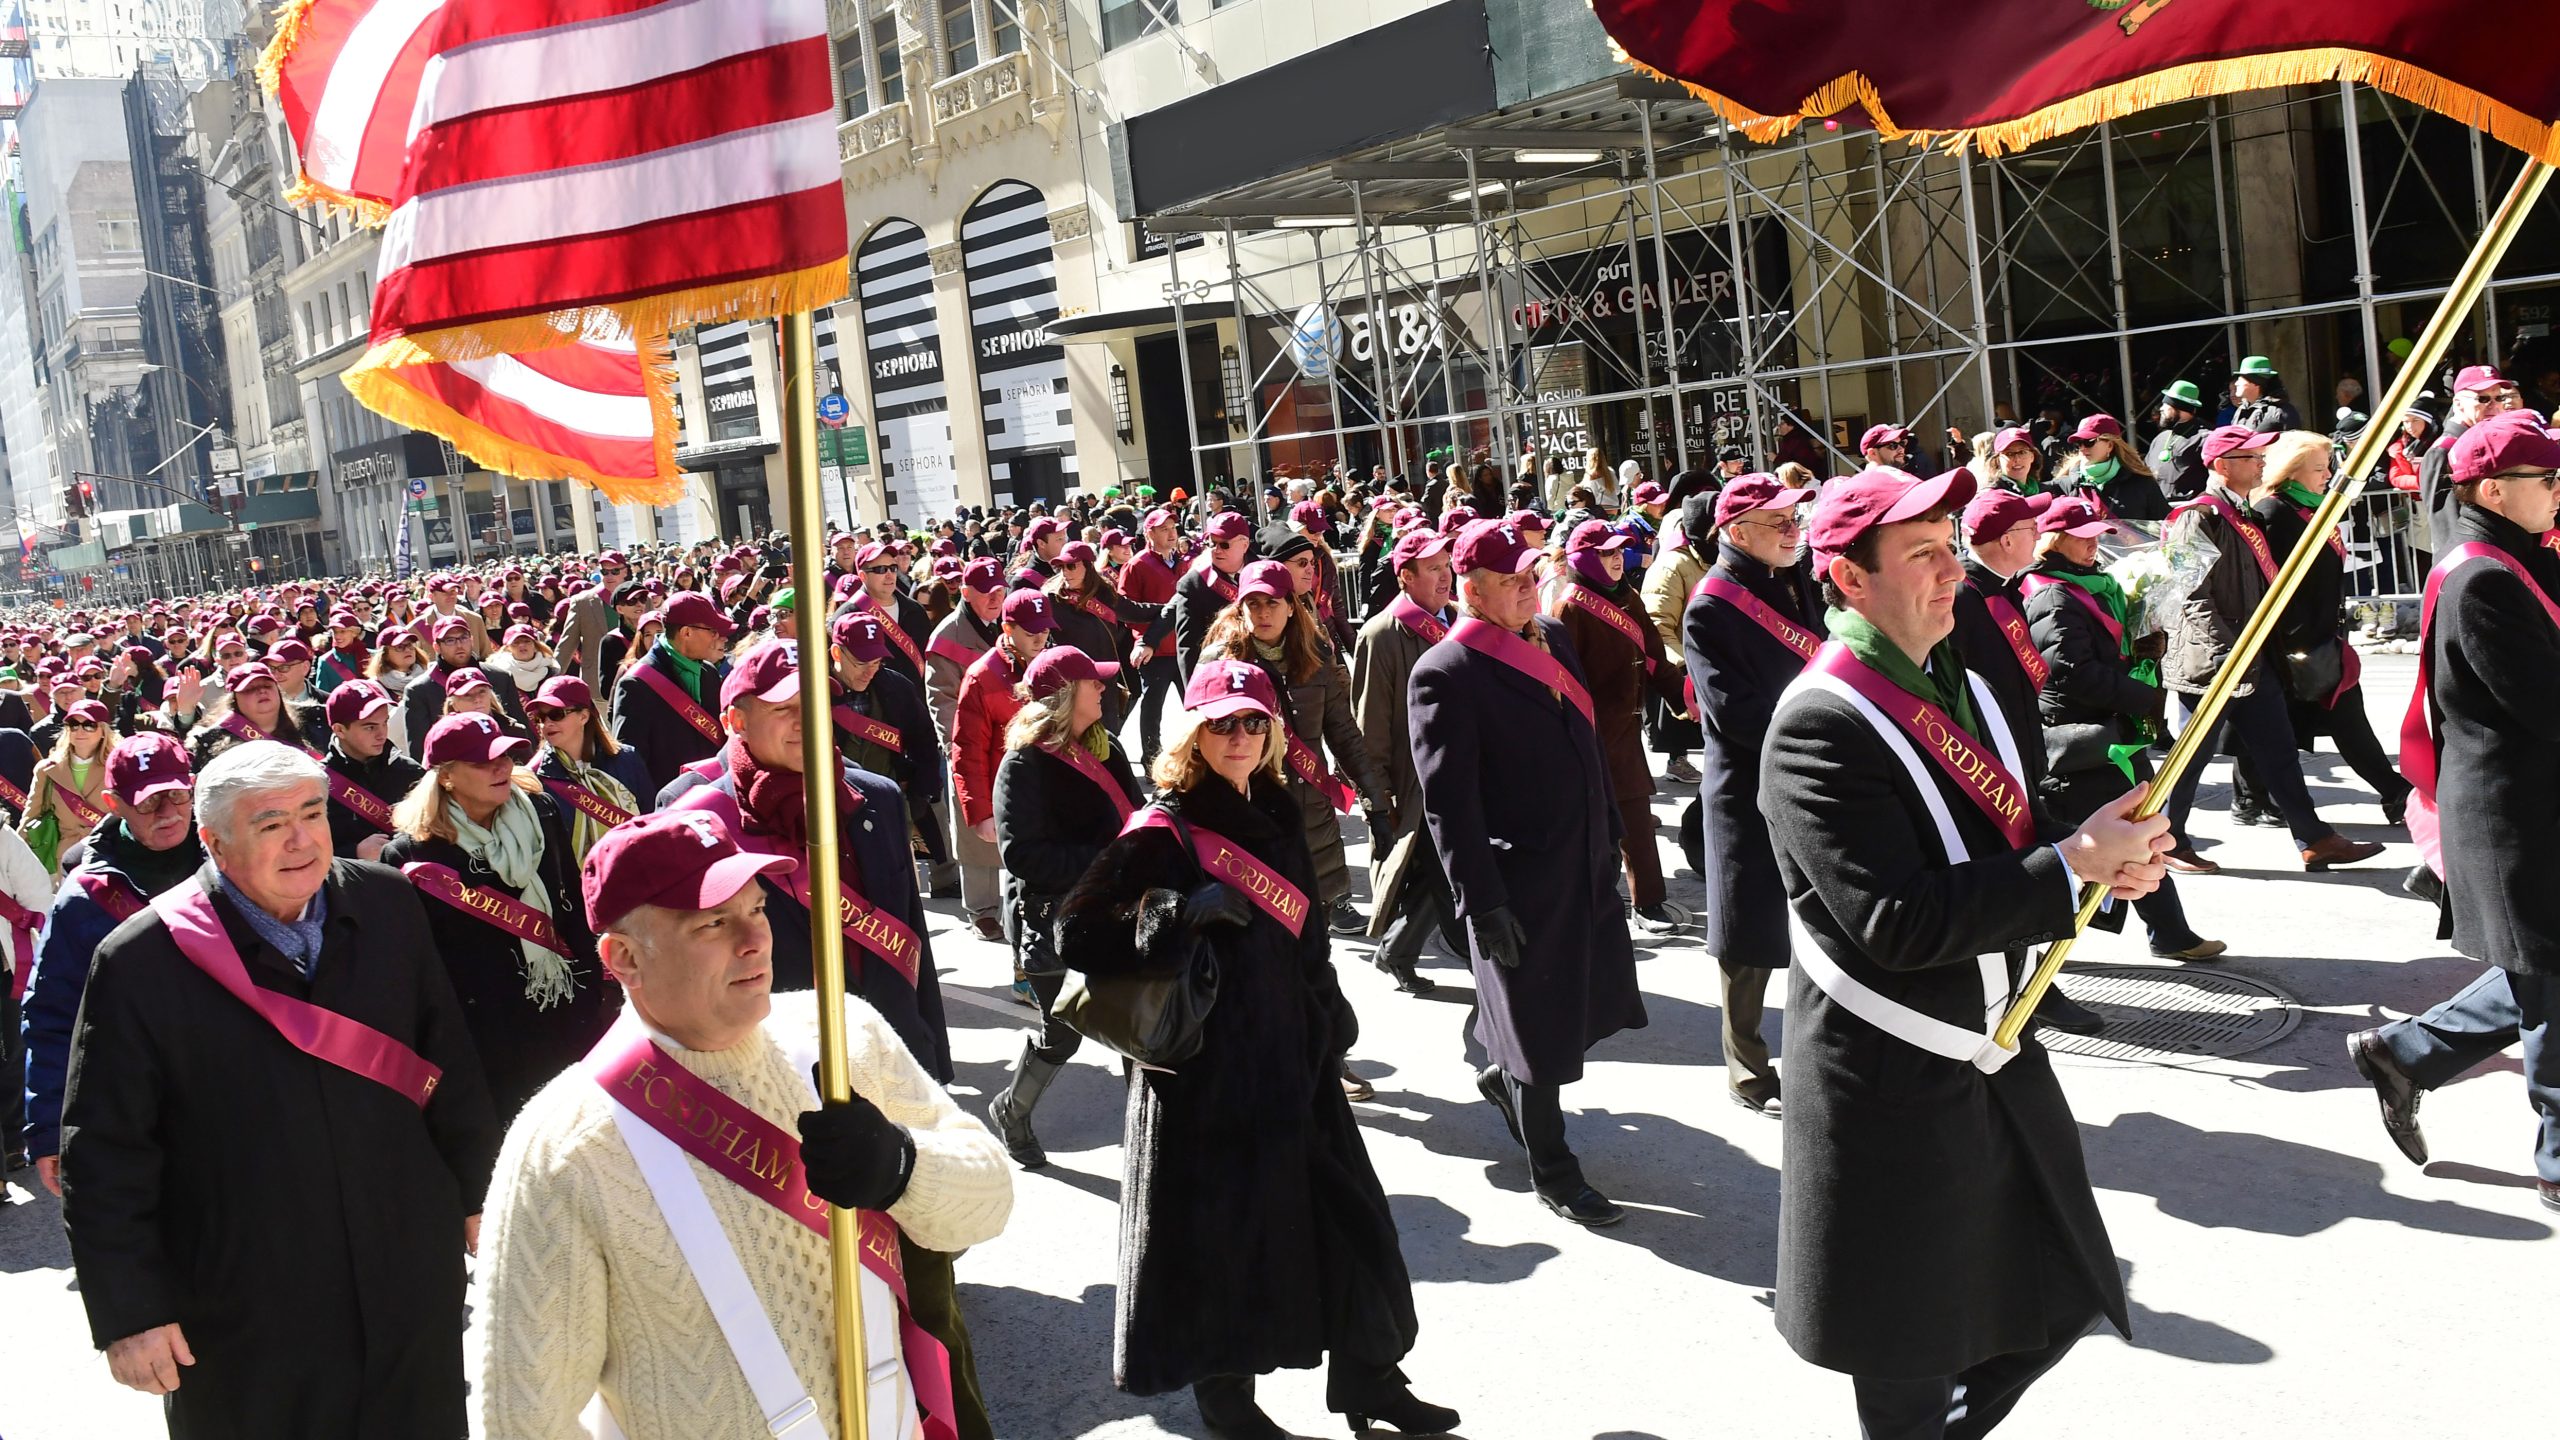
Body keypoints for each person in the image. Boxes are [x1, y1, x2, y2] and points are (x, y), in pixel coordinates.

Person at [1761, 465, 2168, 1439]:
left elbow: (2004, 835)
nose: (1951, 571)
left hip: (1992, 1049)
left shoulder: (1969, 684)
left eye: (1948, 548)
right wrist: (2071, 865)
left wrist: (2099, 851)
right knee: (1910, 1358)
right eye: (1920, 555)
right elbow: (1895, 919)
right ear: (1849, 579)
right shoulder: (1819, 721)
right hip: (1892, 1080)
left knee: (2058, 1297)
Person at [467, 809, 1013, 1440]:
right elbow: (521, 1418)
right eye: (713, 922)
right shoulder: (563, 1145)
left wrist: (902, 1167)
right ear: (625, 958)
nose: (755, 939)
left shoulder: (843, 1037)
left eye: (756, 908)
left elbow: (990, 1206)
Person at [1055, 659, 1454, 1440]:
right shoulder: (1163, 827)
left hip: (1296, 1063)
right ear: (1193, 736)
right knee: (1223, 1251)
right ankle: (1226, 1401)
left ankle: (1371, 1379)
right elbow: (1077, 930)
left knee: (1352, 1225)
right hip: (1206, 1084)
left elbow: (1307, 939)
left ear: (1271, 733)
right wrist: (1176, 914)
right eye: (1220, 723)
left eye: (1251, 722)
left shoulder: (1277, 810)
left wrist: (1329, 1016)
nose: (1237, 736)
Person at [58, 740, 501, 1438]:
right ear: (214, 841)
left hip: (404, 1268)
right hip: (245, 1302)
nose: (302, 841)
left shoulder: (387, 902)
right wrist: (131, 1312)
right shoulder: (141, 958)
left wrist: (481, 1196)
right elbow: (106, 1149)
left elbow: (448, 1061)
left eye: (312, 814)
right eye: (271, 824)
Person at [672, 641, 993, 1438]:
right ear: (734, 719)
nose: (807, 721)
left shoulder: (874, 797)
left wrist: (932, 1064)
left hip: (887, 1081)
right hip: (773, 1098)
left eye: (815, 703)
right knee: (809, 1328)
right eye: (784, 708)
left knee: (929, 1314)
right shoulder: (695, 816)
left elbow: (912, 946)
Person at [2348, 411, 2560, 1214]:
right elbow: (2546, 704)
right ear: (2495, 490)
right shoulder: (2483, 578)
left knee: (2542, 973)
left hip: (2533, 806)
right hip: (2517, 821)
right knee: (2552, 985)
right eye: (2548, 478)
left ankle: (2405, 1053)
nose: (2559, 490)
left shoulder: (2518, 555)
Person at [1411, 518, 1645, 1225]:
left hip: (1581, 860)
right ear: (1472, 589)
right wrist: (1480, 901)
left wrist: (1612, 831)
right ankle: (1555, 1170)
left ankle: (1500, 1074)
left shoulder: (1555, 638)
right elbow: (1449, 805)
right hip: (1516, 881)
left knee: (1573, 1008)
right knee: (1539, 1031)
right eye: (1509, 580)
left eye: (1529, 576)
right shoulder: (1446, 671)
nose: (1525, 588)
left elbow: (1586, 744)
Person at [2158, 425, 2385, 873]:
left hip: (2253, 658)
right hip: (2214, 663)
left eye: (2262, 456)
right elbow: (2190, 595)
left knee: (2280, 752)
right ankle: (2167, 840)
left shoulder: (2242, 514)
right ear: (2222, 466)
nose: (2262, 463)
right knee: (2189, 760)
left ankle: (2315, 839)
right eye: (2251, 457)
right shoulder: (2197, 516)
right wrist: (2226, 652)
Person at [2022, 497, 2229, 969]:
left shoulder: (2091, 584)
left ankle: (2169, 932)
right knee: (2108, 841)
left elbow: (2102, 654)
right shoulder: (2052, 594)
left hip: (2108, 731)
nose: (2093, 544)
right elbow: (2071, 672)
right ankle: (2040, 954)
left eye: (2097, 535)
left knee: (2138, 832)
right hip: (2083, 738)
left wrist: (2146, 649)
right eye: (2082, 537)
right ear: (2054, 540)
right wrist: (2142, 692)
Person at [384, 712, 615, 1126]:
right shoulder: (411, 854)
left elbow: (573, 902)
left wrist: (590, 989)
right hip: (487, 1039)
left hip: (564, 1009)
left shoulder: (541, 811)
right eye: (483, 762)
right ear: (446, 777)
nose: (502, 767)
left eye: (506, 756)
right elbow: (417, 965)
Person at [1680, 473, 1820, 1116]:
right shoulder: (1711, 605)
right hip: (1749, 784)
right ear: (1737, 532)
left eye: (1795, 519)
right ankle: (1746, 1066)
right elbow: (1733, 711)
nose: (1794, 531)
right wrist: (1814, 735)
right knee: (1746, 937)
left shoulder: (1796, 578)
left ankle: (1818, 1055)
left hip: (1810, 771)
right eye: (1779, 522)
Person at [984, 645, 1139, 1168]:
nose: (1104, 688)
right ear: (1067, 695)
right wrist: (1107, 859)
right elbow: (1023, 856)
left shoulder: (1107, 746)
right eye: (1094, 682)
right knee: (1062, 1036)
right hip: (1055, 923)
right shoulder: (1023, 763)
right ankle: (1011, 1111)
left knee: (1136, 1027)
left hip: (1116, 914)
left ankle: (1152, 1137)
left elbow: (1136, 814)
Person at [1197, 559, 1386, 940]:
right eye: (1253, 604)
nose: (1263, 613)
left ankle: (1335, 906)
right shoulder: (1220, 660)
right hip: (1249, 801)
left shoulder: (1316, 653)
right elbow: (1197, 741)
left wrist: (1375, 802)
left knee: (1315, 921)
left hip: (1310, 795)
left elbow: (1343, 732)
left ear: (1290, 606)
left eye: (1272, 603)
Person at [2233, 431, 2415, 825]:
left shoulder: (2310, 509)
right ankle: (2395, 792)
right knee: (2293, 722)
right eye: (2319, 468)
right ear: (2291, 471)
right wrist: (2294, 636)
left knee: (2297, 721)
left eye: (2327, 466)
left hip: (2320, 637)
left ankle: (2251, 799)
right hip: (2295, 642)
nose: (2328, 475)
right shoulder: (2273, 513)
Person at [13, 731, 157, 1193]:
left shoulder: (229, 867)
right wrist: (48, 1128)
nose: (168, 812)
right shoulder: (83, 897)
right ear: (116, 804)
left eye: (177, 796)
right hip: (125, 1100)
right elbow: (51, 1013)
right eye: (149, 802)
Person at [1550, 519, 1690, 933]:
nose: (1616, 558)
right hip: (1589, 735)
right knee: (1593, 828)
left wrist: (1683, 697)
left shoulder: (1627, 595)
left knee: (1637, 818)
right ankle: (1591, 906)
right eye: (1606, 553)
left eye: (1618, 551)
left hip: (1625, 731)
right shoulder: (1569, 607)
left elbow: (1653, 655)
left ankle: (1648, 902)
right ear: (1583, 559)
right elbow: (1561, 680)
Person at [1351, 527, 1458, 995]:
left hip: (1465, 771)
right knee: (1445, 872)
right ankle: (1401, 950)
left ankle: (1398, 950)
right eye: (1433, 569)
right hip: (1417, 783)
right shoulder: (1382, 634)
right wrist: (1376, 798)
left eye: (1447, 566)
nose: (1445, 576)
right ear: (1405, 577)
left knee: (1451, 871)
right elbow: (1370, 725)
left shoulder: (1459, 620)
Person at [954, 590, 1057, 947]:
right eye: (1031, 632)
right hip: (1011, 797)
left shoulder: (1054, 662)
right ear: (1008, 629)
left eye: (1045, 630)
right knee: (1018, 885)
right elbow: (968, 751)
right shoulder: (982, 676)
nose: (1041, 638)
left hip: (1050, 793)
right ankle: (1020, 959)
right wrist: (981, 813)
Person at [925, 557, 1005, 904]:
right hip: (970, 746)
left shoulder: (1010, 625)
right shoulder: (947, 637)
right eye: (987, 592)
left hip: (1009, 742)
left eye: (1000, 590)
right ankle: (982, 912)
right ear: (966, 593)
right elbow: (942, 701)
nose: (996, 598)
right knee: (976, 835)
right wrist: (956, 750)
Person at [611, 590, 733, 793]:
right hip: (667, 802)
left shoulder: (709, 673)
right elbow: (631, 763)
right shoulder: (636, 683)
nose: (717, 637)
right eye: (712, 630)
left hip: (711, 795)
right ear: (686, 633)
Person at [1639, 491, 1717, 787]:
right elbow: (1657, 624)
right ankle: (1677, 759)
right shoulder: (1671, 565)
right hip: (1686, 667)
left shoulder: (1720, 559)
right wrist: (1685, 667)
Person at [527, 675, 652, 857]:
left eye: (557, 714)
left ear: (584, 716)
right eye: (540, 717)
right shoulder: (534, 779)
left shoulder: (627, 759)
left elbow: (650, 817)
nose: (547, 723)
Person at [321, 679, 426, 862]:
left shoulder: (411, 772)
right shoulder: (318, 783)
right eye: (370, 727)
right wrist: (354, 852)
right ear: (339, 730)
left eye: (384, 722)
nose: (382, 734)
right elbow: (306, 852)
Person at [24, 696, 115, 871]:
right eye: (73, 725)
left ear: (103, 730)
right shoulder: (47, 770)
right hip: (64, 860)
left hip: (108, 856)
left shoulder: (117, 767)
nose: (80, 731)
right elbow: (31, 816)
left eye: (89, 725)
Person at [836, 539, 934, 691]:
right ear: (863, 576)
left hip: (915, 699)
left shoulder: (915, 611)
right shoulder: (846, 615)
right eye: (881, 570)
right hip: (870, 701)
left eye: (892, 568)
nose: (889, 575)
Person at [1169, 511, 1253, 678]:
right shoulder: (1194, 584)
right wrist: (1194, 690)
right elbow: (1188, 647)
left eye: (1225, 545)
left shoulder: (1266, 570)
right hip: (1221, 675)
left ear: (1244, 545)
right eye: (1212, 543)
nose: (1216, 550)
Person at [2052, 414, 2166, 521]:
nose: (2082, 448)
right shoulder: (2066, 485)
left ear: (2110, 445)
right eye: (2078, 443)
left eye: (2088, 442)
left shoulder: (2141, 483)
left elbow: (2164, 525)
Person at [2147, 380, 2207, 498]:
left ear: (2178, 407)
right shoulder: (2160, 438)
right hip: (2157, 507)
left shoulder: (2204, 438)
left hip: (2189, 507)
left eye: (2166, 404)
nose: (2161, 409)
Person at [2229, 354, 2303, 435]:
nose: (2236, 383)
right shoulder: (2241, 410)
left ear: (2255, 383)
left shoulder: (2280, 412)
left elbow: (2294, 441)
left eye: (2241, 379)